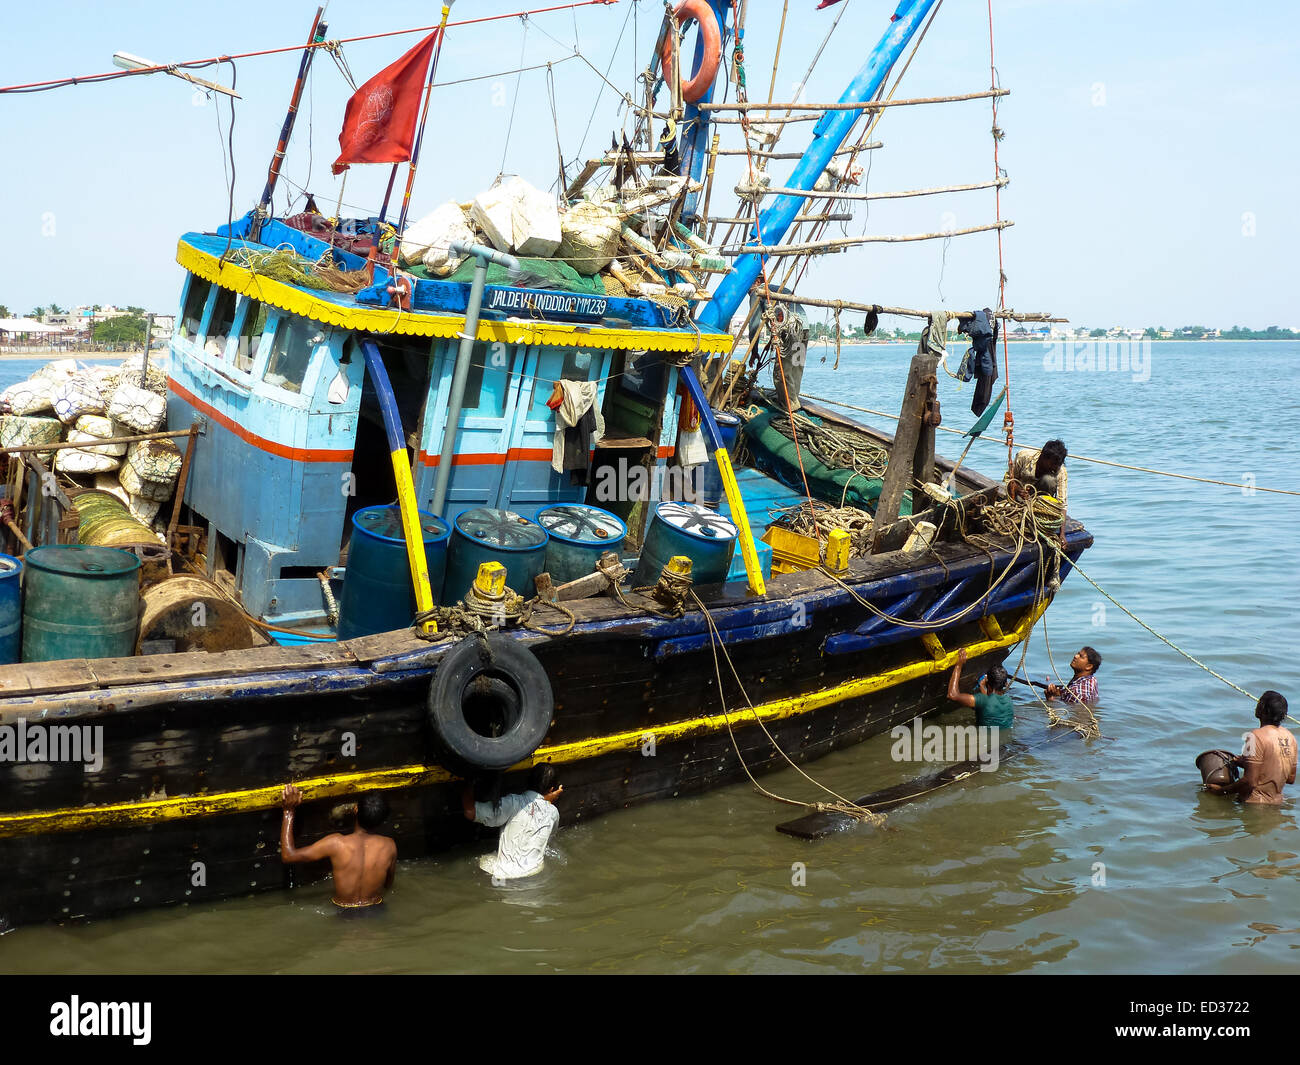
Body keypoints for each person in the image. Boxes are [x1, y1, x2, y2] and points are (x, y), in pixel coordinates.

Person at [280, 785, 397, 912]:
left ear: (356, 809)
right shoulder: (389, 846)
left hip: (343, 912)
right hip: (376, 910)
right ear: (383, 820)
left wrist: (288, 811)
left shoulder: (336, 844)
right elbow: (388, 884)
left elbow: (288, 856)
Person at [462, 764, 564, 881]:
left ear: (527, 781)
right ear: (552, 790)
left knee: (486, 860)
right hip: (534, 873)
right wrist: (547, 800)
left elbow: (469, 811)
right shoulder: (553, 813)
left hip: (503, 875)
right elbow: (546, 834)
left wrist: (468, 782)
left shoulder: (513, 803)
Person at [1207, 691, 1296, 805]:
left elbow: (1250, 782)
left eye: (1259, 702)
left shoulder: (1255, 736)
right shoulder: (1290, 737)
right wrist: (1246, 763)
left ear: (1264, 709)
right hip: (1277, 803)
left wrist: (1220, 791)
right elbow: (1290, 778)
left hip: (1254, 804)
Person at [946, 648, 1014, 729]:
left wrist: (958, 665)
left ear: (988, 685)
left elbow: (952, 695)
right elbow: (990, 701)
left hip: (985, 738)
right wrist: (982, 686)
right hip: (1004, 739)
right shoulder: (1008, 701)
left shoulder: (982, 700)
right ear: (1006, 684)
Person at [1009, 439, 1068, 511]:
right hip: (1021, 496)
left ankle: (1041, 509)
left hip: (1043, 501)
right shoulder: (1024, 456)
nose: (1054, 467)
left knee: (1049, 480)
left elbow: (1062, 503)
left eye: (1058, 464)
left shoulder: (1060, 470)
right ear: (1043, 457)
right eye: (1052, 464)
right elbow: (1010, 479)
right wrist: (1018, 490)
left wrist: (1062, 520)